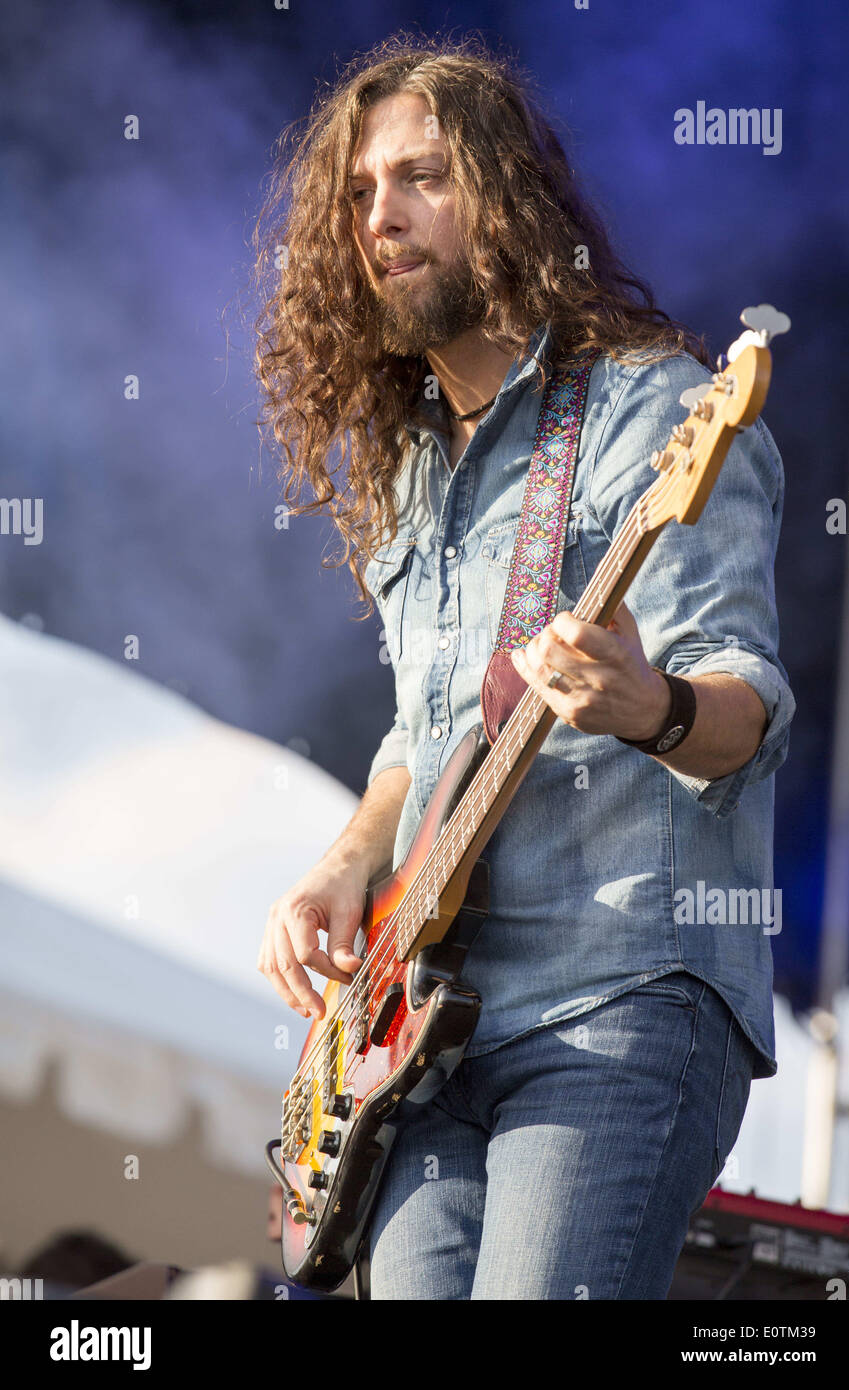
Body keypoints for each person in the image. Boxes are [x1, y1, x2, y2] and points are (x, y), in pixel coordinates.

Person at [253, 35, 795, 1300]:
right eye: (357, 192)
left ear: (503, 196)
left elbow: (748, 705)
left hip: (615, 994)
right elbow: (421, 744)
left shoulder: (648, 410)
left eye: (420, 176)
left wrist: (649, 705)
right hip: (426, 1036)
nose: (380, 215)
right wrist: (345, 863)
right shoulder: (407, 476)